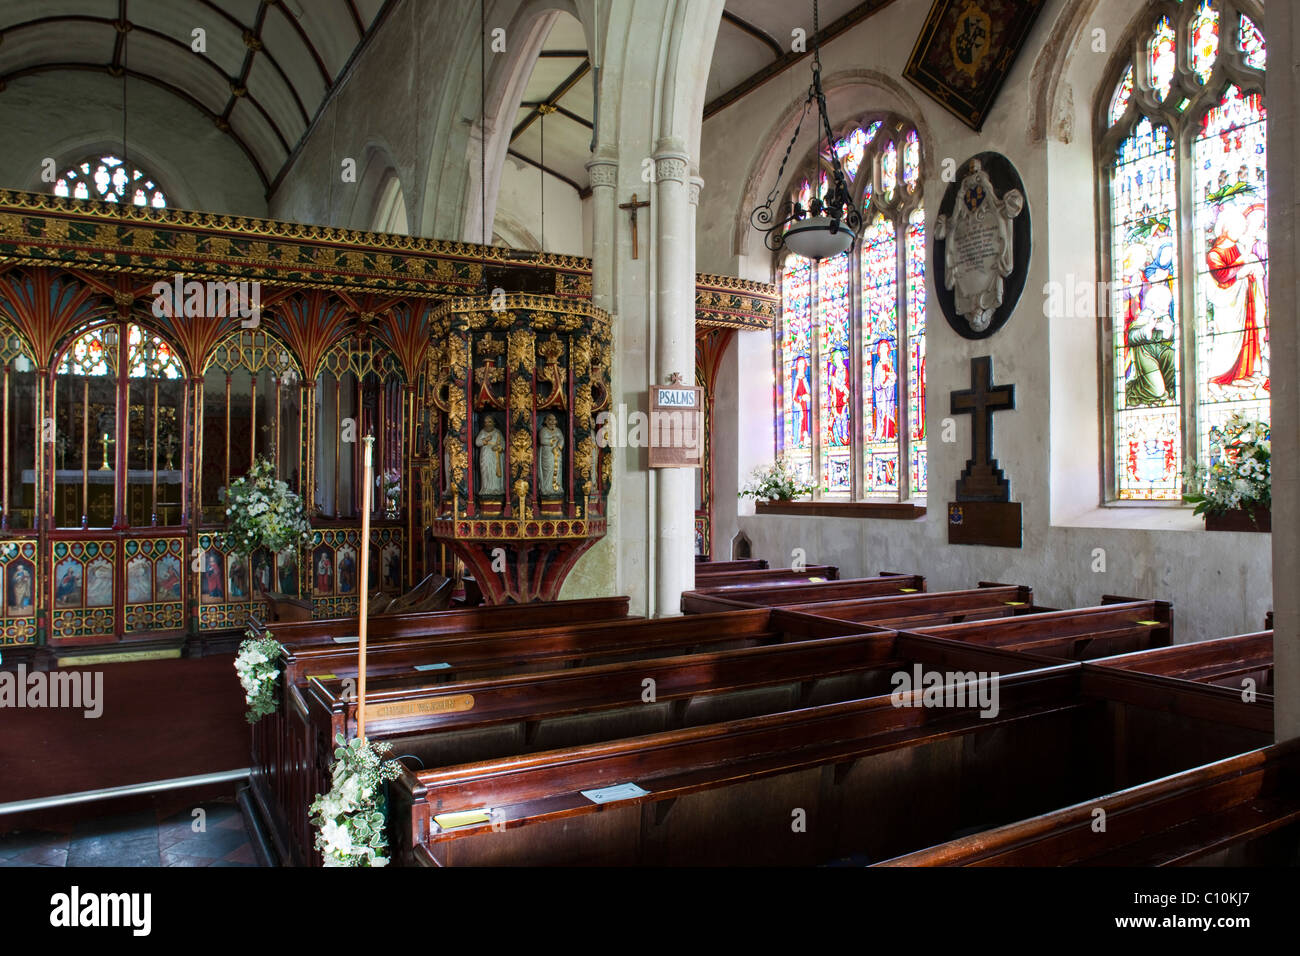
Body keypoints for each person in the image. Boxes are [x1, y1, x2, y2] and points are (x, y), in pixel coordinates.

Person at [476, 416, 505, 495]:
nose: (487, 424)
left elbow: (503, 444)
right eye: (485, 422)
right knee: (486, 470)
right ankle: (486, 488)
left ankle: (496, 489)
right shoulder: (482, 432)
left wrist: (499, 447)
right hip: (485, 454)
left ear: (493, 423)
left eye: (489, 422)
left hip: (495, 455)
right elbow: (477, 442)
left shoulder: (497, 432)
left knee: (495, 471)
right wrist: (485, 440)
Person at [538, 414, 564, 496]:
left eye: (554, 420)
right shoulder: (543, 430)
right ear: (545, 421)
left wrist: (558, 446)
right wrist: (552, 440)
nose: (552, 422)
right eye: (550, 420)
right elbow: (542, 440)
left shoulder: (558, 430)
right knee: (548, 470)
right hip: (547, 454)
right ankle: (546, 488)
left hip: (557, 453)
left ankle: (557, 488)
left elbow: (561, 439)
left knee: (557, 469)